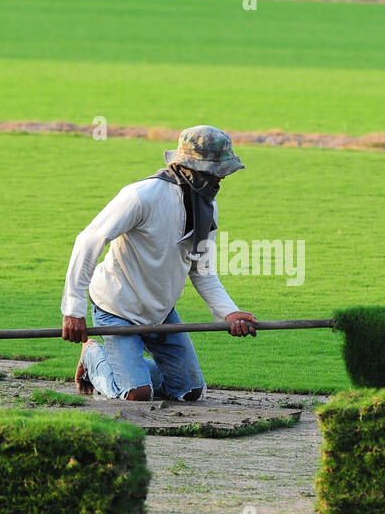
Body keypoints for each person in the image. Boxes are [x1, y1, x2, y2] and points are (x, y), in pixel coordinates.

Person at [60, 125, 257, 401]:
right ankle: (94, 355)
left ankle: (128, 368)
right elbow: (88, 240)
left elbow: (202, 270)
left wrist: (229, 312)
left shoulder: (207, 208)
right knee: (137, 394)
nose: (220, 180)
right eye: (214, 172)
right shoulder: (142, 196)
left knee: (189, 390)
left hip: (160, 312)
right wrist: (73, 309)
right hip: (117, 308)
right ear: (189, 169)